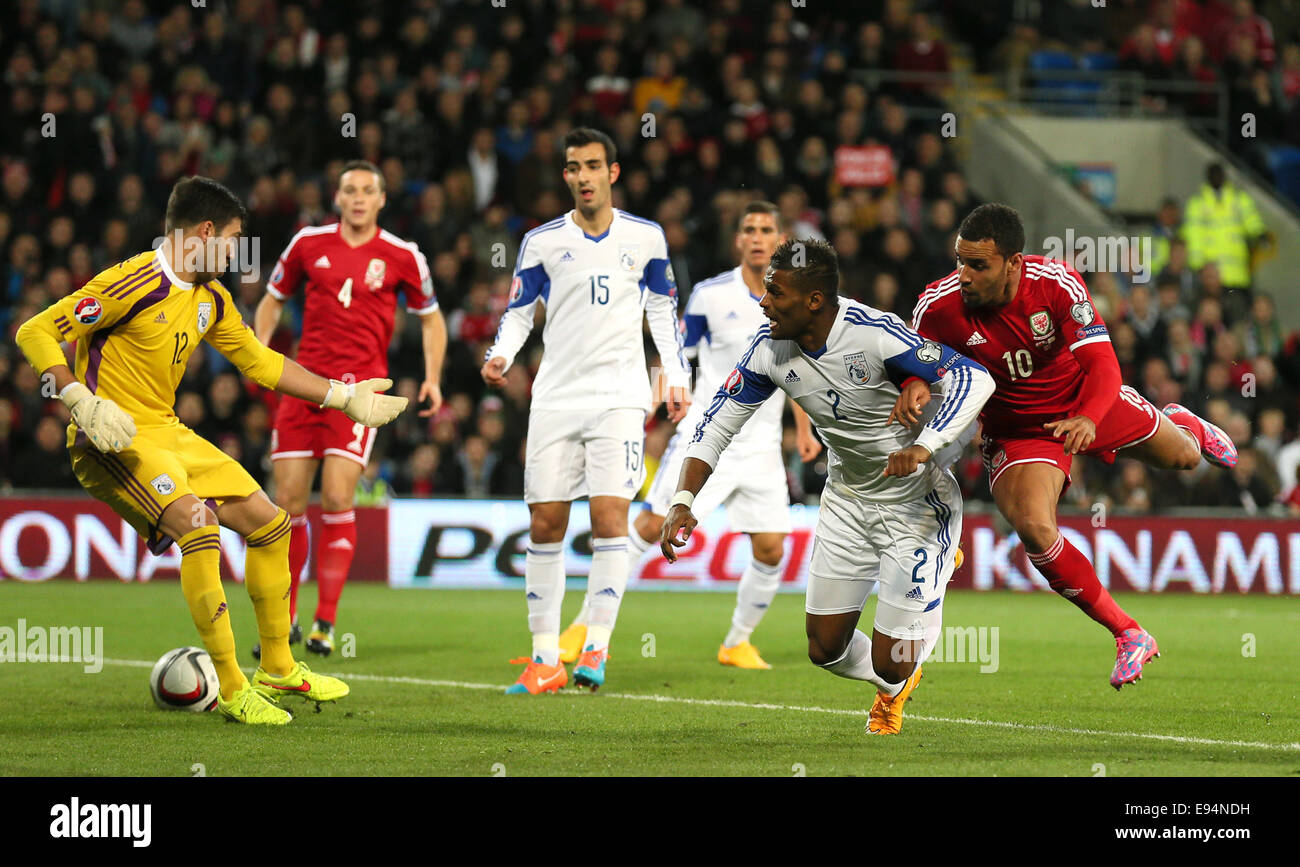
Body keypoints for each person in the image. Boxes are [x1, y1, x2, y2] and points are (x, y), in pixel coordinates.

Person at [14, 176, 407, 724]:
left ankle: (278, 667)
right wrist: (79, 399)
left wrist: (344, 397)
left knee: (272, 526)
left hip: (167, 433)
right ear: (203, 233)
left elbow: (261, 363)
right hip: (111, 439)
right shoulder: (131, 282)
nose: (235, 254)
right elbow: (33, 331)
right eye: (232, 240)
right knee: (197, 525)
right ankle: (230, 686)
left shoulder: (212, 299)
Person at [662, 238, 994, 734]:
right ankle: (897, 680)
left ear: (814, 300)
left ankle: (926, 596)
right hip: (847, 499)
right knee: (823, 649)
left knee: (893, 660)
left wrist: (924, 445)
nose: (763, 301)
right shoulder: (769, 349)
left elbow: (975, 377)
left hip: (915, 504)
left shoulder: (874, 334)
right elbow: (715, 426)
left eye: (775, 293)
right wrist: (684, 500)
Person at [901, 203, 1238, 690]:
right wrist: (915, 383)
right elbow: (912, 359)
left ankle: (1182, 422)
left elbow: (1104, 365)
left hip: (1084, 402)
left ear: (1013, 263)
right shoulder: (937, 306)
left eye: (979, 265)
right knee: (1036, 528)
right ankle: (1129, 634)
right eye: (960, 261)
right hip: (1019, 432)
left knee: (1185, 458)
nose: (964, 276)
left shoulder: (1056, 284)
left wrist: (1089, 416)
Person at [559, 201, 822, 670]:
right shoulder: (710, 296)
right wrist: (664, 403)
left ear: (780, 240)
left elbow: (798, 371)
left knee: (771, 548)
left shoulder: (798, 300)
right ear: (738, 240)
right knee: (648, 526)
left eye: (766, 229)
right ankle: (583, 626)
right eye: (749, 229)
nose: (758, 236)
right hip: (710, 435)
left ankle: (736, 642)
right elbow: (679, 356)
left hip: (761, 446)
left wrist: (803, 429)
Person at [481, 128, 691, 694]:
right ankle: (545, 658)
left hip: (620, 398)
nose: (584, 176)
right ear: (567, 177)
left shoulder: (645, 238)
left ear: (613, 173)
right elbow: (520, 310)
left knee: (609, 521)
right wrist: (501, 354)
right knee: (546, 523)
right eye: (574, 167)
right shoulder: (542, 242)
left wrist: (677, 374)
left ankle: (595, 646)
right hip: (554, 397)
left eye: (594, 165)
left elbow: (662, 310)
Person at [253, 160, 447, 659]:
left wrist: (431, 377)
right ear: (337, 197)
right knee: (288, 503)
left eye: (368, 191)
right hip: (302, 387)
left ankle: (326, 622)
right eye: (349, 190)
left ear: (382, 200)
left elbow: (431, 321)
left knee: (339, 496)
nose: (358, 198)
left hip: (358, 397)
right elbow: (273, 300)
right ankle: (287, 617)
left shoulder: (403, 255)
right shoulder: (306, 244)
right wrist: (257, 350)